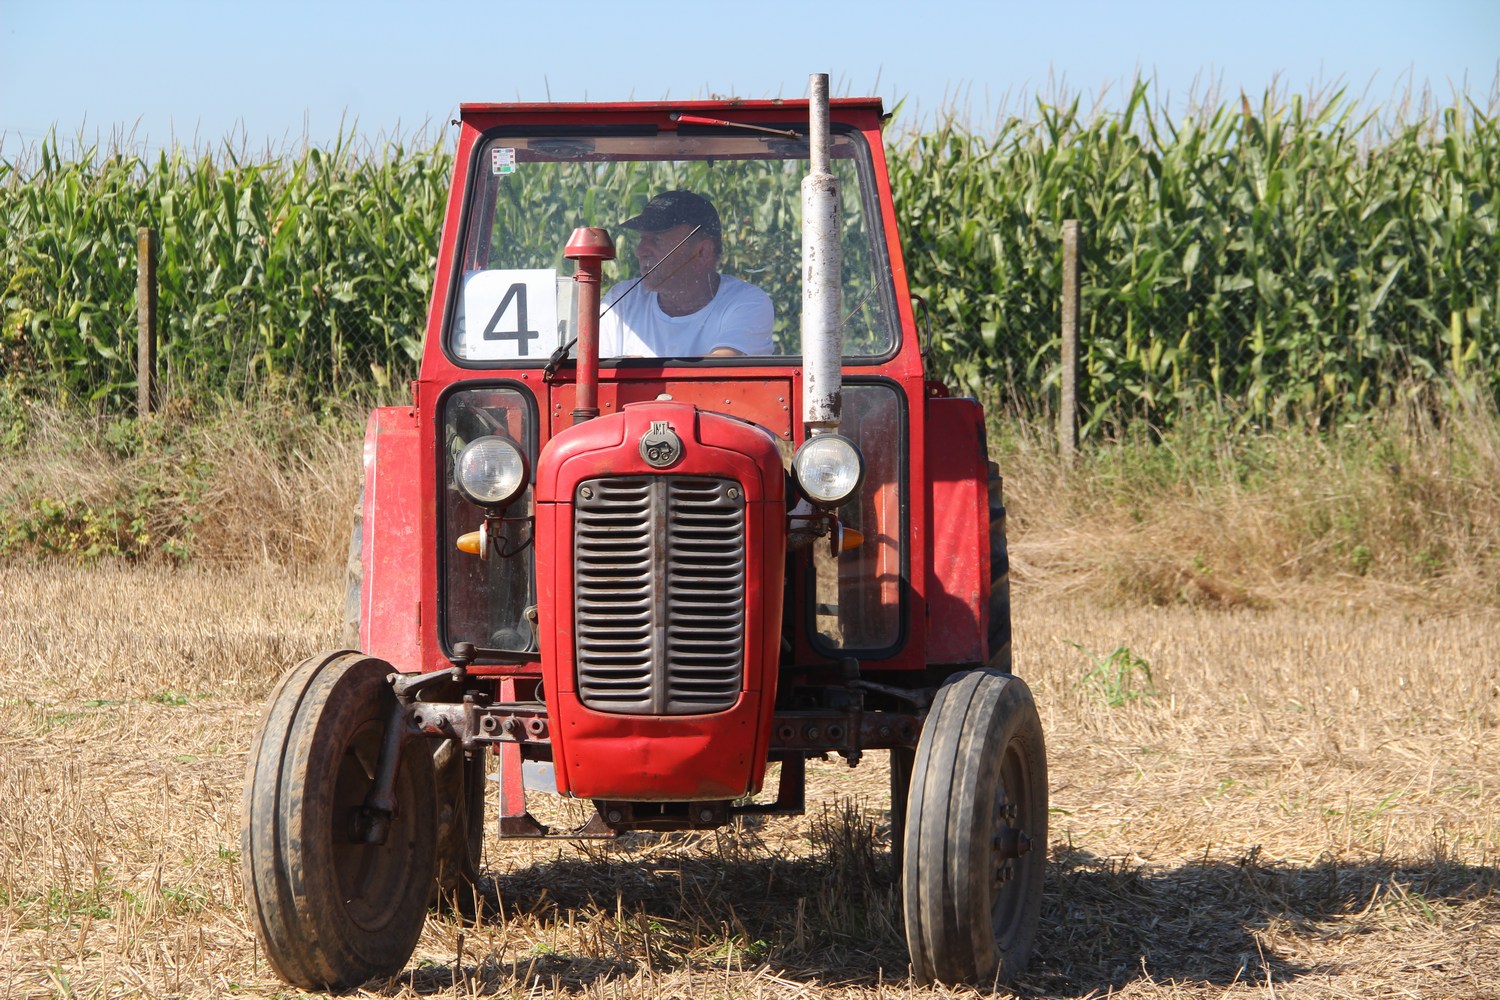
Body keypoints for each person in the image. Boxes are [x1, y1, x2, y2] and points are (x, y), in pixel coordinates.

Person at [599, 190, 774, 357]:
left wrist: (639, 373)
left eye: (657, 240)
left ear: (703, 252)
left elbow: (724, 370)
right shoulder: (620, 302)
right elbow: (590, 371)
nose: (640, 251)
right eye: (642, 239)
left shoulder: (745, 302)